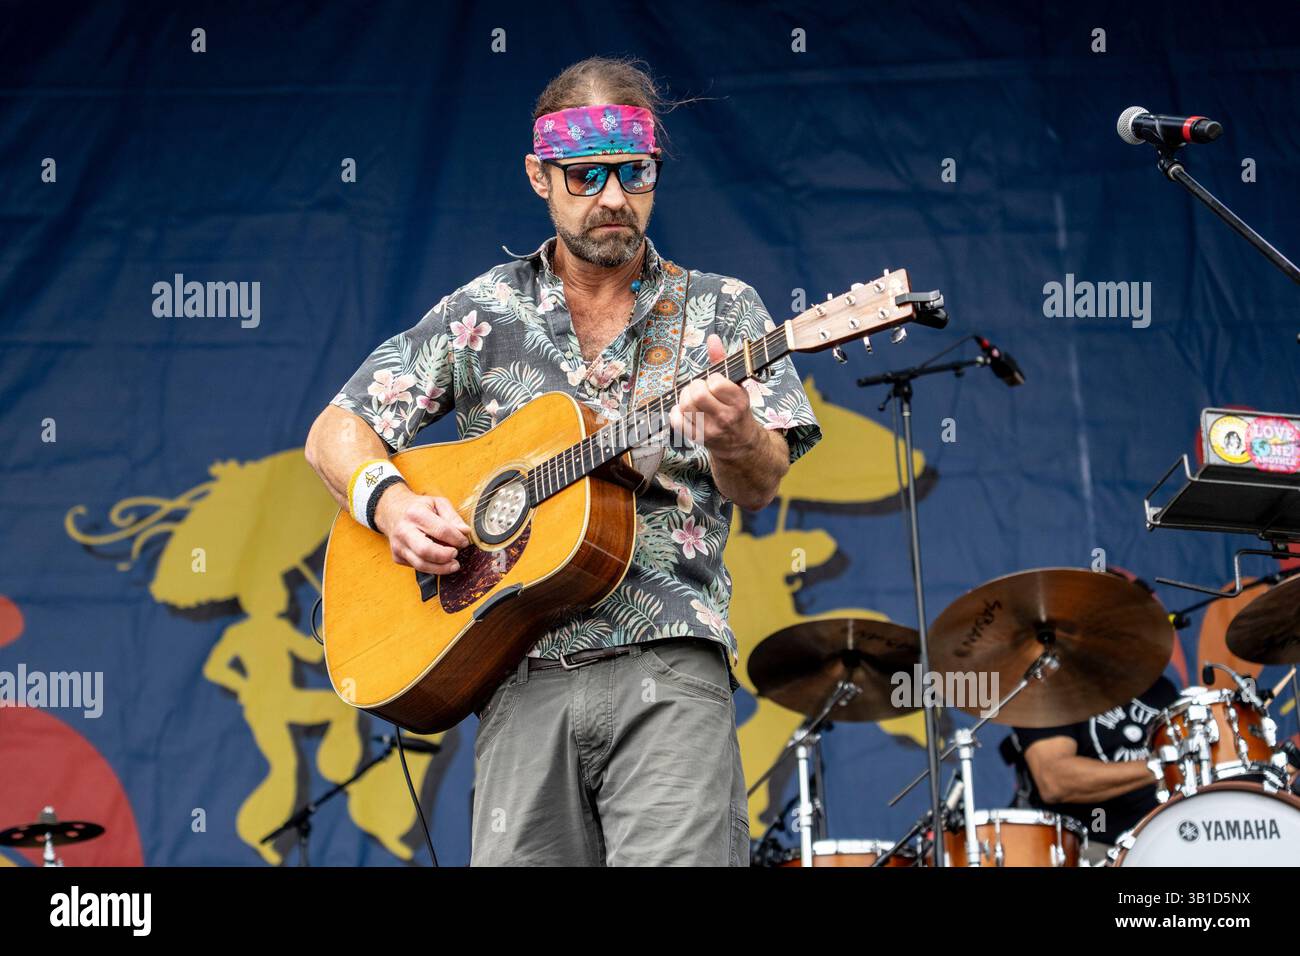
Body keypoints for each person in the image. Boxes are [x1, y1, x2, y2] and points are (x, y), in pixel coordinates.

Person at [304, 57, 821, 866]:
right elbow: (336, 429)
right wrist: (393, 504)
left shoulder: (724, 311)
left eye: (634, 172)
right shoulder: (482, 313)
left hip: (668, 667)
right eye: (585, 175)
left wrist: (732, 435)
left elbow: (759, 483)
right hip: (516, 675)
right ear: (539, 176)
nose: (613, 197)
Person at [1009, 674, 1180, 860]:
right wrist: (1162, 764)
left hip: (1164, 837)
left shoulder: (1160, 688)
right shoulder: (1048, 689)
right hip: (1087, 845)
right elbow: (1054, 780)